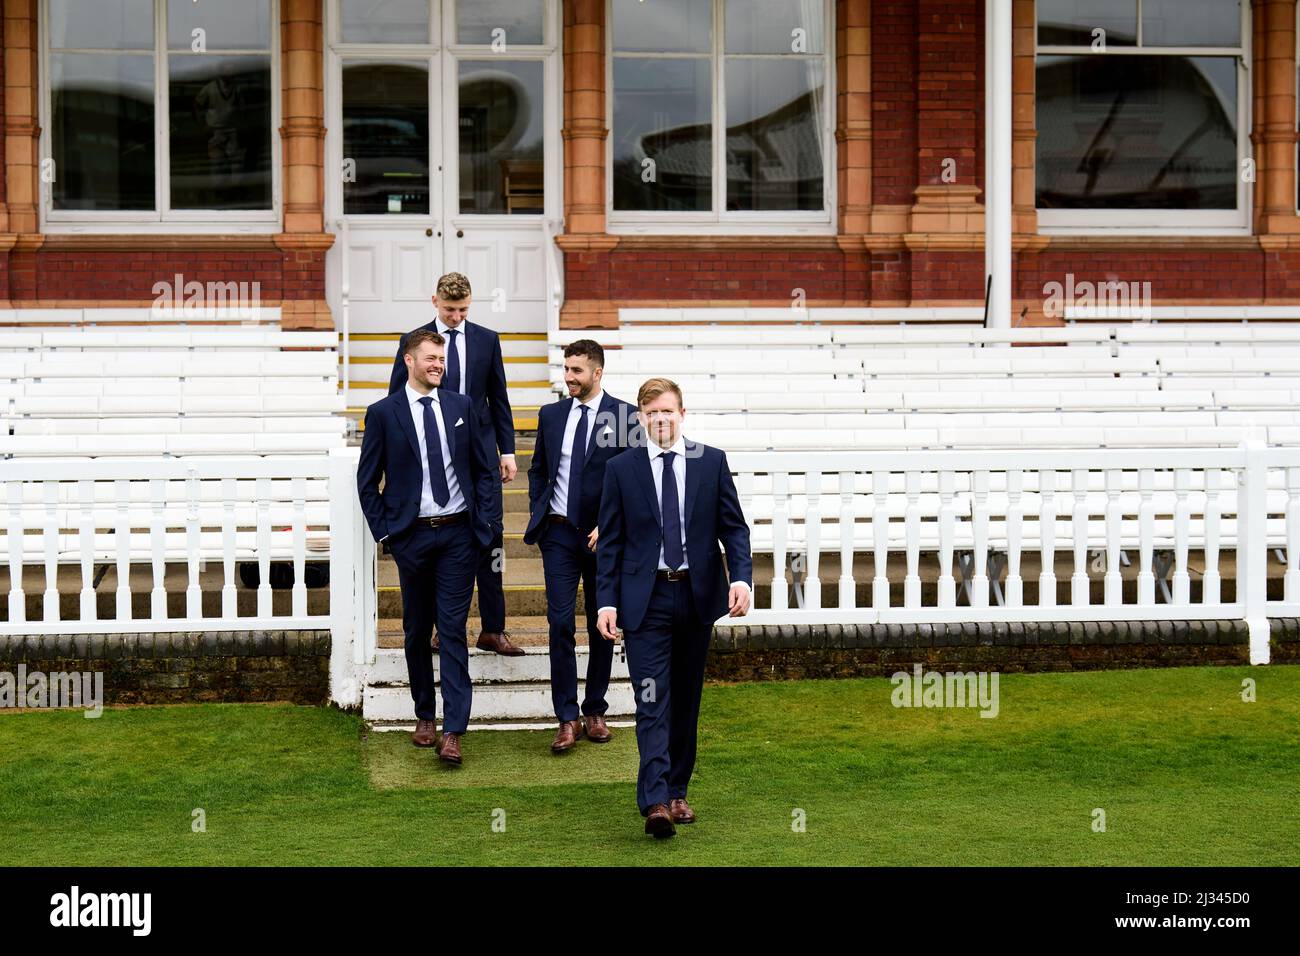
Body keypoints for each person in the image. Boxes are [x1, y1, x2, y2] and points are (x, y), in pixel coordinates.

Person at [596, 377, 753, 838]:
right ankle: (657, 801)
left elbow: (734, 528)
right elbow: (611, 543)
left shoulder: (711, 462)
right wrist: (606, 602)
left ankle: (679, 789)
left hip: (697, 597)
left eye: (667, 411)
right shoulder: (622, 469)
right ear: (641, 419)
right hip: (644, 602)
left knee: (685, 699)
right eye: (651, 413)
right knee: (651, 698)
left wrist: (740, 577)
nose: (659, 419)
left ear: (681, 414)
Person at [359, 329, 502, 764]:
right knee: (417, 630)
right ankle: (425, 714)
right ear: (409, 360)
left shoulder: (461, 406)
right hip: (412, 537)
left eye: (441, 358)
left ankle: (454, 729)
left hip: (459, 534)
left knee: (453, 630)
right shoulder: (383, 413)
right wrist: (388, 534)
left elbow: (484, 469)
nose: (439, 364)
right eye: (430, 358)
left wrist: (486, 525)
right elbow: (368, 482)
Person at [387, 272, 521, 656]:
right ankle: (441, 630)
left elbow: (499, 397)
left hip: (479, 455)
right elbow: (397, 399)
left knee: (490, 542)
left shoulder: (487, 339)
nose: (456, 317)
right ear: (435, 302)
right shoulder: (412, 343)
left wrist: (507, 450)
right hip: (435, 453)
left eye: (462, 309)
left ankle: (493, 629)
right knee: (438, 547)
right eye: (449, 310)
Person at [525, 340, 639, 753]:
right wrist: (541, 508)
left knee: (601, 624)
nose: (569, 377)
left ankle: (595, 708)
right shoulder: (551, 415)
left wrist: (609, 525)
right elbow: (538, 469)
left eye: (577, 370)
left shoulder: (626, 417)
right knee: (559, 624)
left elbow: (635, 481)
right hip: (557, 534)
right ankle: (566, 717)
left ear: (598, 372)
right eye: (566, 369)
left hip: (602, 539)